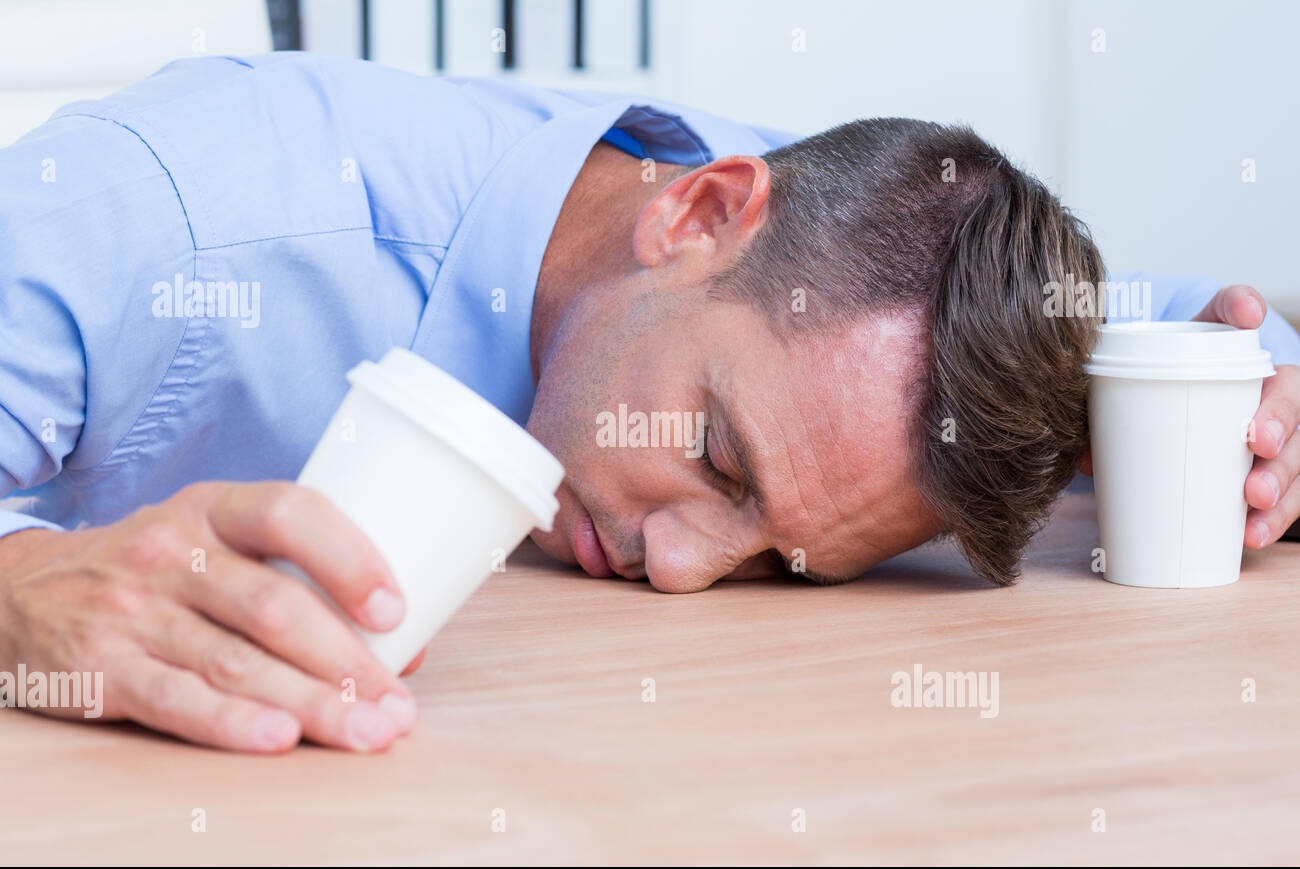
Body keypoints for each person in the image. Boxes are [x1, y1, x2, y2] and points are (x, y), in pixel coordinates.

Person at [2, 53, 1297, 754]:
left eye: (783, 561)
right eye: (720, 459)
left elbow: (1197, 329)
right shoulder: (162, 218)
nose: (679, 568)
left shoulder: (820, 267)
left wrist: (1269, 418)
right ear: (698, 211)